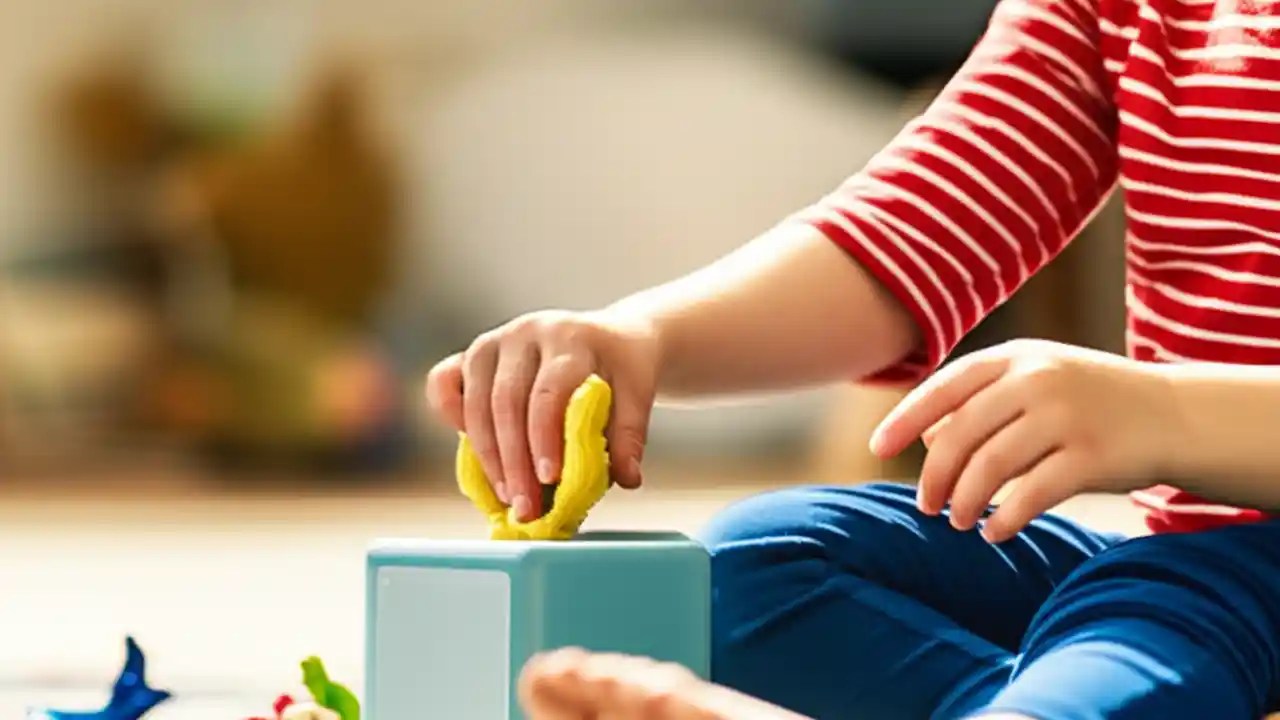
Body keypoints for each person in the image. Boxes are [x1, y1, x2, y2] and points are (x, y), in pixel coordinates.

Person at [426, 0, 1280, 717]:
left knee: (1146, 619)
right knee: (746, 568)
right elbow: (922, 218)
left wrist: (1165, 414)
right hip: (1181, 554)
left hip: (1205, 573)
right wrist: (644, 338)